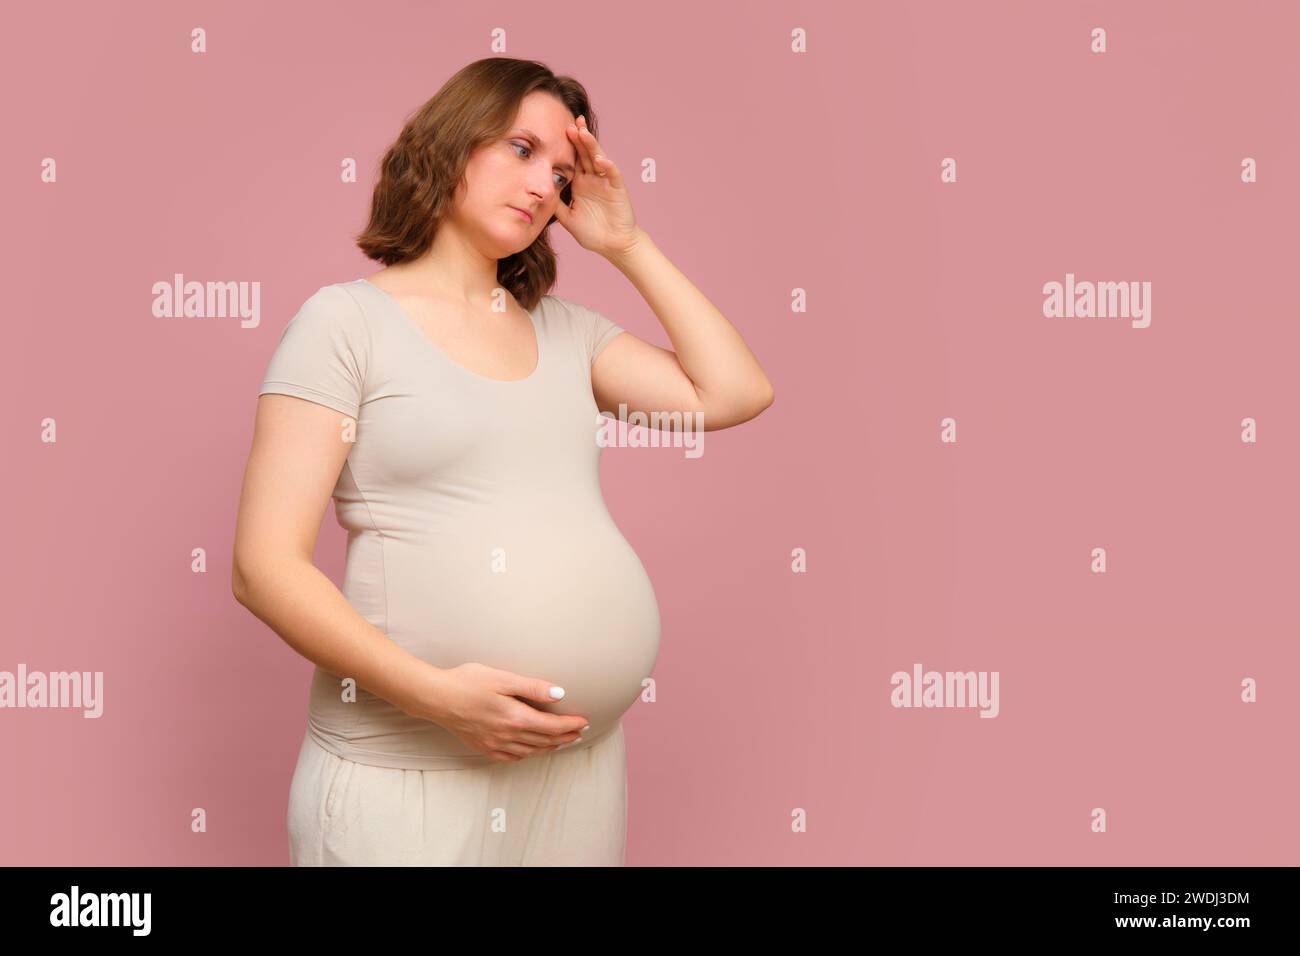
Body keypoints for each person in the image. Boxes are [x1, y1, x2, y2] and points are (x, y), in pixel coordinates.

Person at [231, 56, 774, 866]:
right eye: (521, 149)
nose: (541, 185)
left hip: (576, 771)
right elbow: (262, 567)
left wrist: (627, 244)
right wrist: (439, 698)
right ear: (453, 142)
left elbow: (733, 392)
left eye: (561, 172)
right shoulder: (345, 324)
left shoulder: (567, 333)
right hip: (411, 769)